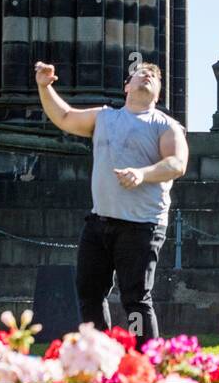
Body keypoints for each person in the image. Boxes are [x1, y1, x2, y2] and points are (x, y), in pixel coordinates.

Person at [33, 59, 189, 340]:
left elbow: (177, 164)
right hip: (99, 222)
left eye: (152, 77)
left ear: (159, 94)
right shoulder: (104, 117)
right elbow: (65, 117)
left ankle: (147, 368)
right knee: (88, 294)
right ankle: (103, 357)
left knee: (136, 300)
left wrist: (142, 174)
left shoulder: (165, 125)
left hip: (142, 225)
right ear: (126, 86)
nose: (146, 77)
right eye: (140, 74)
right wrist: (44, 87)